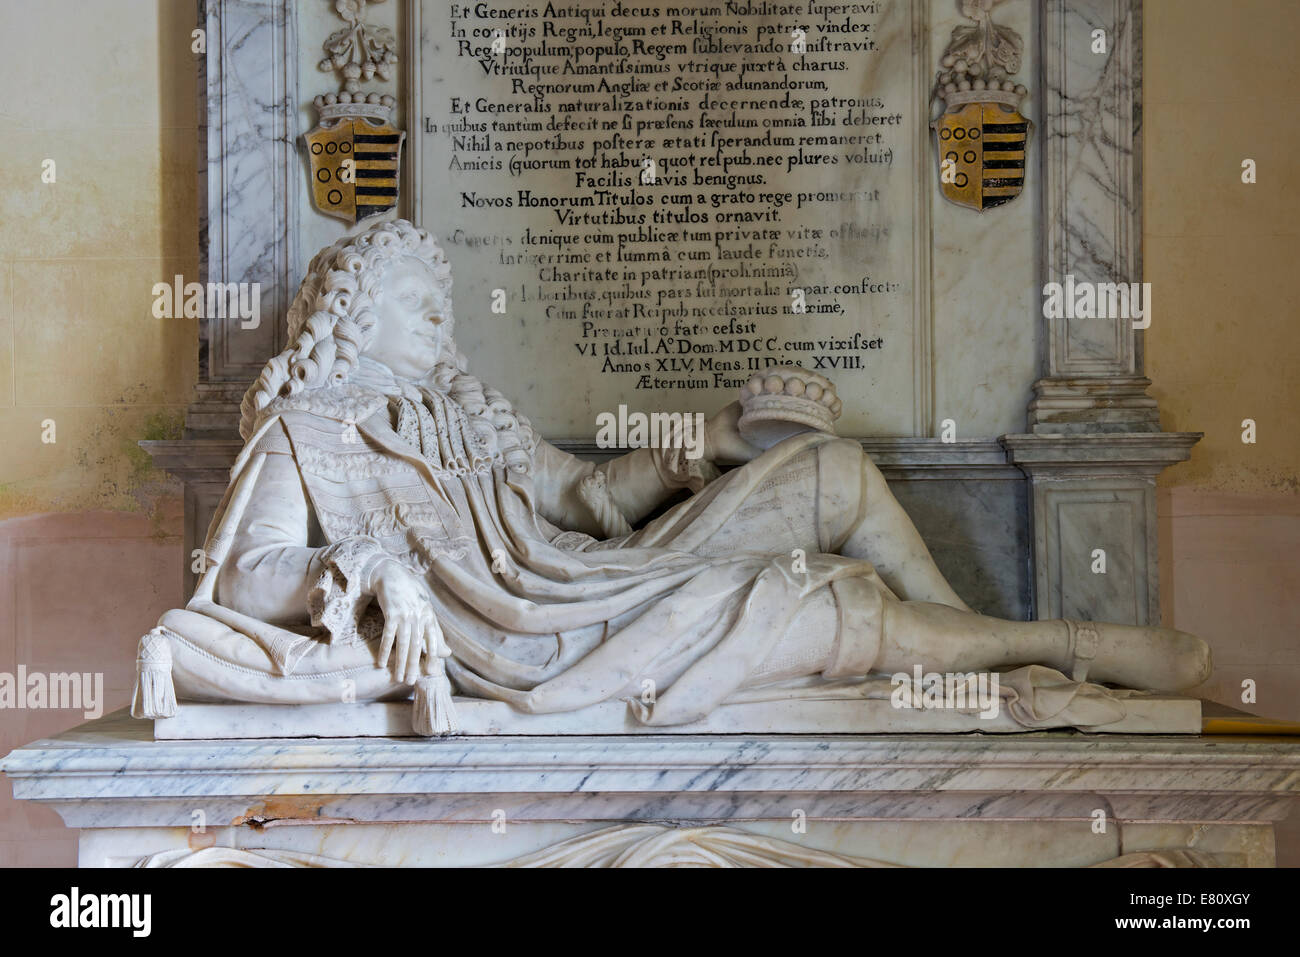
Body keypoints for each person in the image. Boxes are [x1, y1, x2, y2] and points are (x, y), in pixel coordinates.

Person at [138, 219, 1210, 729]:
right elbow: (243, 578)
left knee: (830, 472)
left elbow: (587, 503)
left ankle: (979, 666)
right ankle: (1047, 660)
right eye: (425, 308)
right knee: (800, 591)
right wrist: (368, 566)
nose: (442, 327)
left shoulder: (466, 409)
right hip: (519, 630)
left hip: (582, 570)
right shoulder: (307, 431)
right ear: (357, 318)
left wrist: (712, 438)